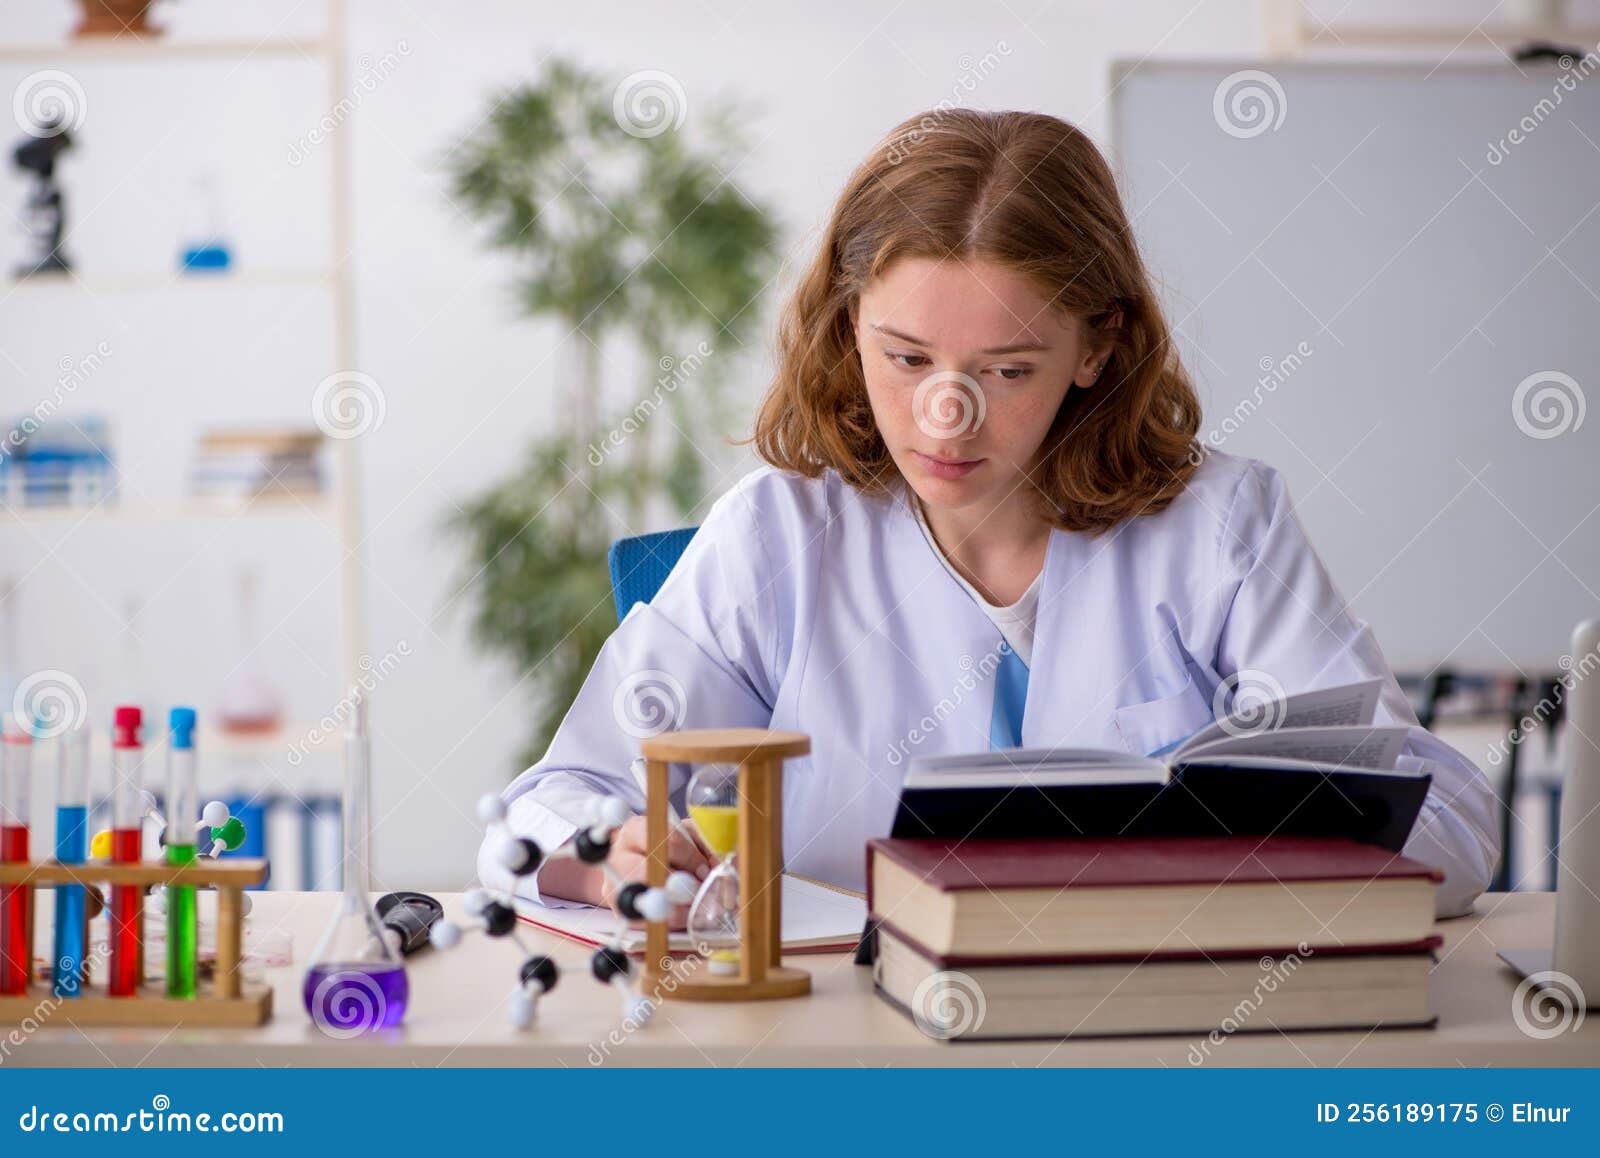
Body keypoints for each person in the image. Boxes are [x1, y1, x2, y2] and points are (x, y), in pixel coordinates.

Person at [477, 108, 1499, 921]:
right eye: (905, 357)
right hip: (842, 1053)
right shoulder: (778, 537)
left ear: (1094, 349)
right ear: (847, 326)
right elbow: (553, 796)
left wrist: (1243, 843)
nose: (943, 416)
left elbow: (1447, 822)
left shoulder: (1219, 525)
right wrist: (611, 852)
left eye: (1006, 369)